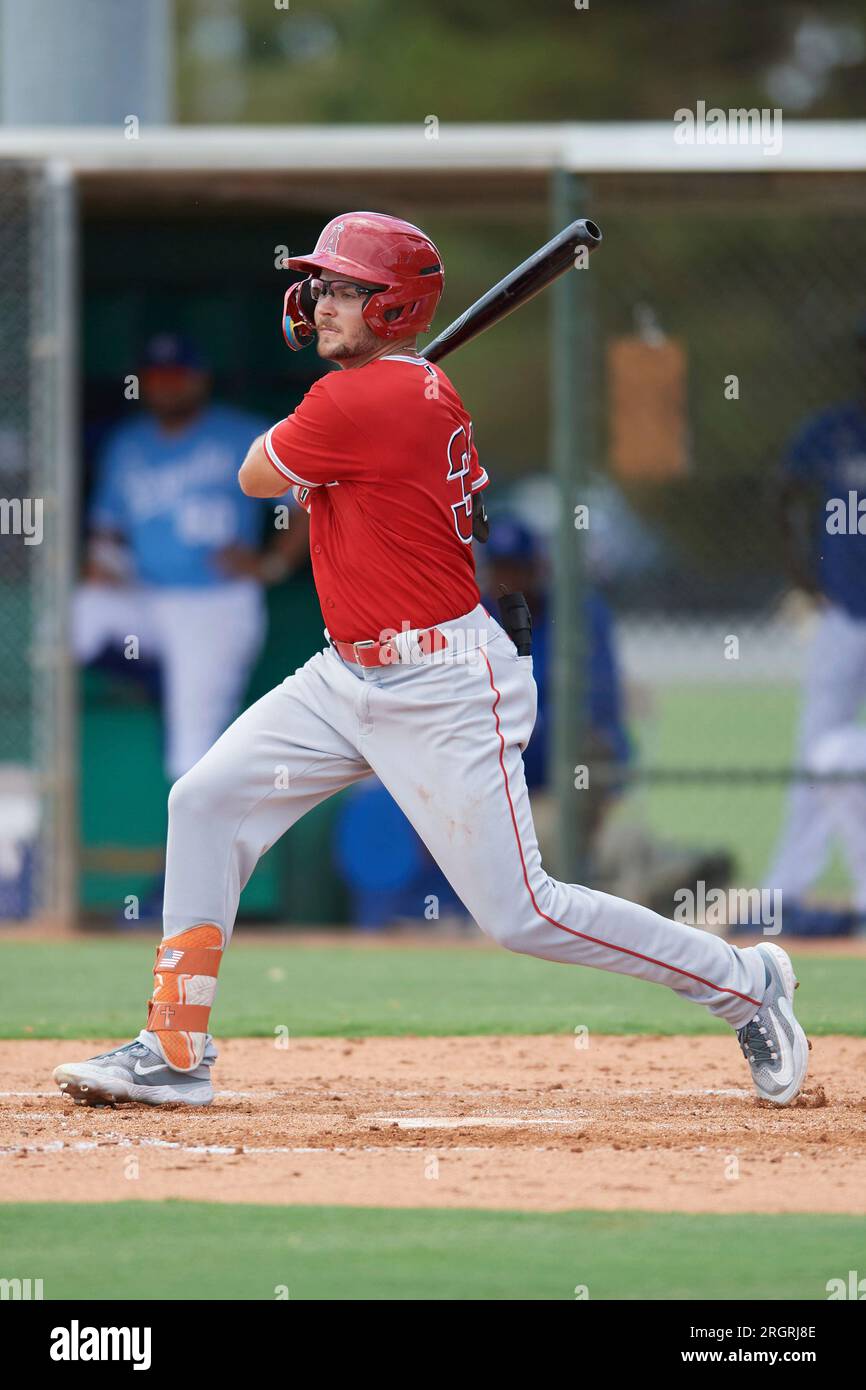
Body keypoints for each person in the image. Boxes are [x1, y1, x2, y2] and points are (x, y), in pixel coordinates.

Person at [54, 212, 808, 1110]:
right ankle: (173, 1048)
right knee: (206, 799)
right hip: (346, 674)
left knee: (522, 913)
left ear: (393, 305)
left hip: (444, 683)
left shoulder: (360, 401)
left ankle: (745, 982)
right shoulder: (407, 393)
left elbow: (256, 474)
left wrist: (325, 436)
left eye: (343, 289)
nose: (321, 302)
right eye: (323, 285)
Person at [75, 331, 310, 784]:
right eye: (157, 376)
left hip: (214, 605)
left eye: (177, 375)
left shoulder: (242, 434)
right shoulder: (128, 444)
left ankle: (198, 850)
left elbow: (303, 504)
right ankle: (157, 680)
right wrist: (105, 565)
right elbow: (108, 530)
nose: (166, 385)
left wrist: (272, 564)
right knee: (81, 616)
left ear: (200, 380)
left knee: (191, 755)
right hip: (145, 600)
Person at [764, 318, 866, 934]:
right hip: (843, 611)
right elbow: (784, 492)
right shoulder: (834, 430)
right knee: (818, 752)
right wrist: (801, 571)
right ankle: (788, 890)